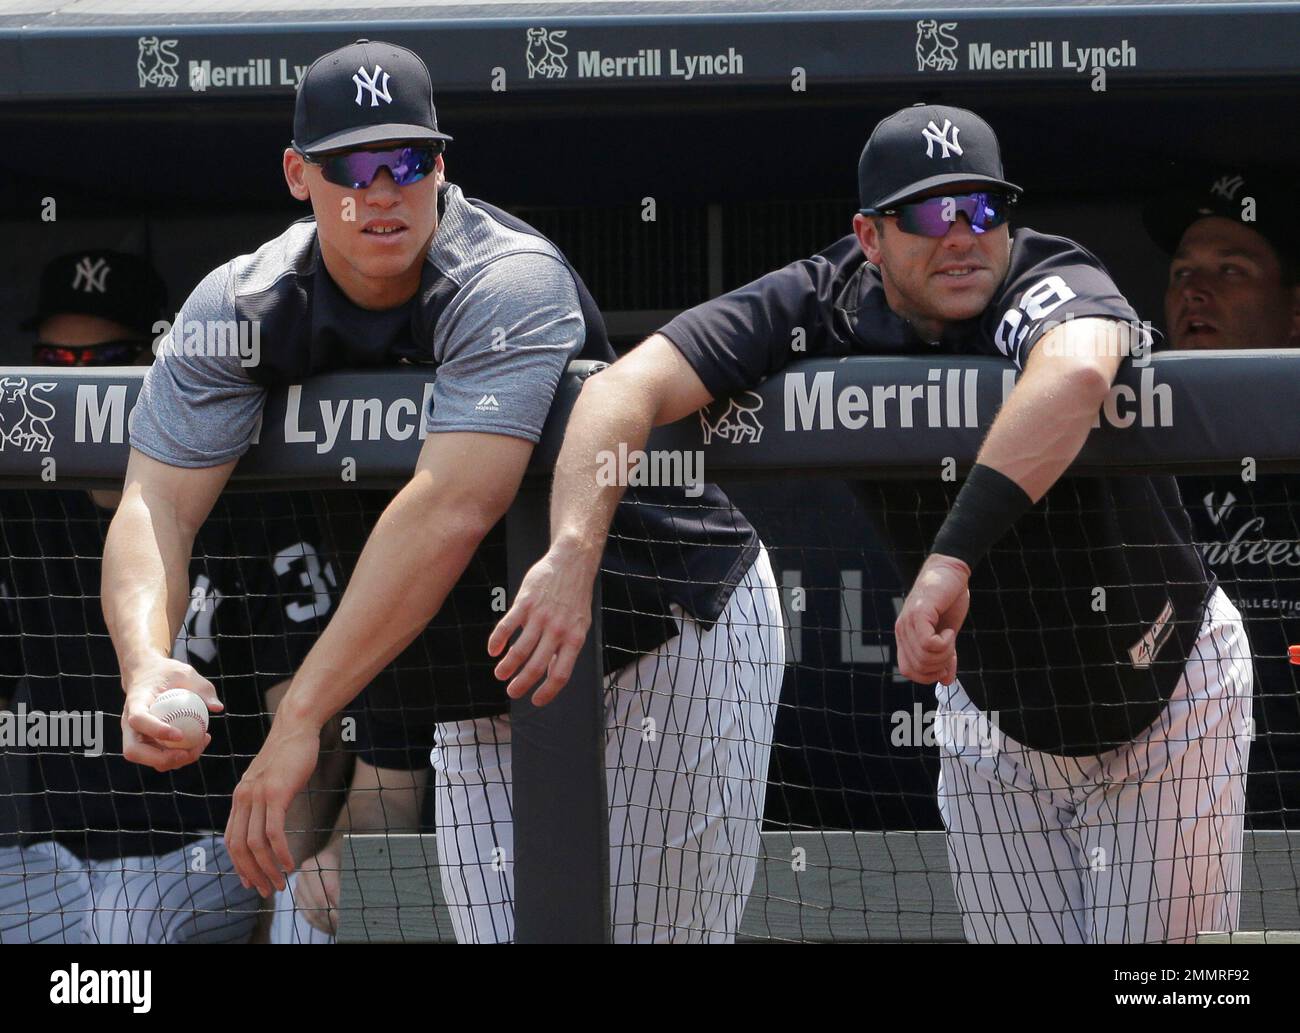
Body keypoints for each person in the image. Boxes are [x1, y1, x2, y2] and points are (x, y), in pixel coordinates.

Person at [496, 103, 1254, 944]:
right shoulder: (823, 299)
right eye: (931, 212)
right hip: (996, 718)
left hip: (1167, 696)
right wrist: (570, 552)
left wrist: (948, 561)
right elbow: (616, 391)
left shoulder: (1049, 273)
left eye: (984, 207)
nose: (963, 234)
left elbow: (1076, 376)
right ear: (870, 234)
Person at [103, 39, 783, 943]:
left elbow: (451, 509)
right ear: (298, 175)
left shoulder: (505, 275)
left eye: (407, 160)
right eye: (352, 164)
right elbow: (156, 504)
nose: (383, 190)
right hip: (480, 675)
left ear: (440, 166)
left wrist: (300, 715)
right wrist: (146, 661)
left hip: (662, 628)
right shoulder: (244, 304)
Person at [0, 251, 340, 943]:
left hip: (203, 847)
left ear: (158, 365)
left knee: (126, 922)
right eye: (56, 359)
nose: (78, 382)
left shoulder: (248, 500)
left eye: (106, 358)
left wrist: (280, 871)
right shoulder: (21, 511)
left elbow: (317, 729)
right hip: (51, 859)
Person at [1146, 169, 1300, 827]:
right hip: (1164, 825)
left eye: (1231, 270)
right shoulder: (1133, 452)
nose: (1196, 290)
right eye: (1182, 274)